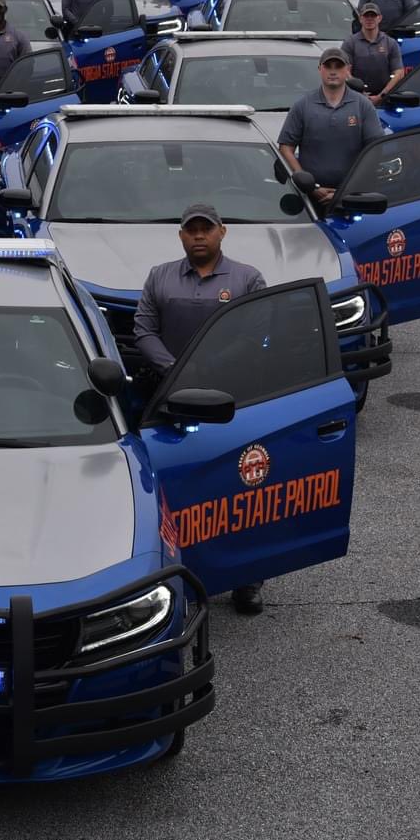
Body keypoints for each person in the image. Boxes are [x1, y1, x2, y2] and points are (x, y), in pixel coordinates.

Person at [132, 200, 270, 616]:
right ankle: (174, 575)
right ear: (180, 236)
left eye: (205, 229)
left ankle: (247, 579)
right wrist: (175, 370)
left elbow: (255, 335)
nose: (198, 236)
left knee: (239, 489)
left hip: (231, 401)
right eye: (190, 229)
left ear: (221, 232)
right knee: (174, 487)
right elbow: (144, 330)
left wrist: (207, 367)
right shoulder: (159, 276)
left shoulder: (248, 279)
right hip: (170, 400)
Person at [278, 43, 387, 207]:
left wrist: (348, 189)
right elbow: (286, 148)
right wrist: (308, 184)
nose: (333, 71)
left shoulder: (363, 105)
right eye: (328, 66)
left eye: (338, 66)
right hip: (309, 200)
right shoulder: (303, 105)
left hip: (353, 197)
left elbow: (375, 151)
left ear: (348, 70)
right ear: (319, 69)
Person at [340, 1, 405, 101]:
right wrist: (360, 93)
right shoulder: (350, 43)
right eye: (366, 16)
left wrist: (381, 96)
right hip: (356, 99)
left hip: (384, 99)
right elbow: (345, 71)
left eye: (373, 16)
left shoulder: (390, 43)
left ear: (379, 18)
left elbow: (399, 73)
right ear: (360, 19)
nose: (369, 19)